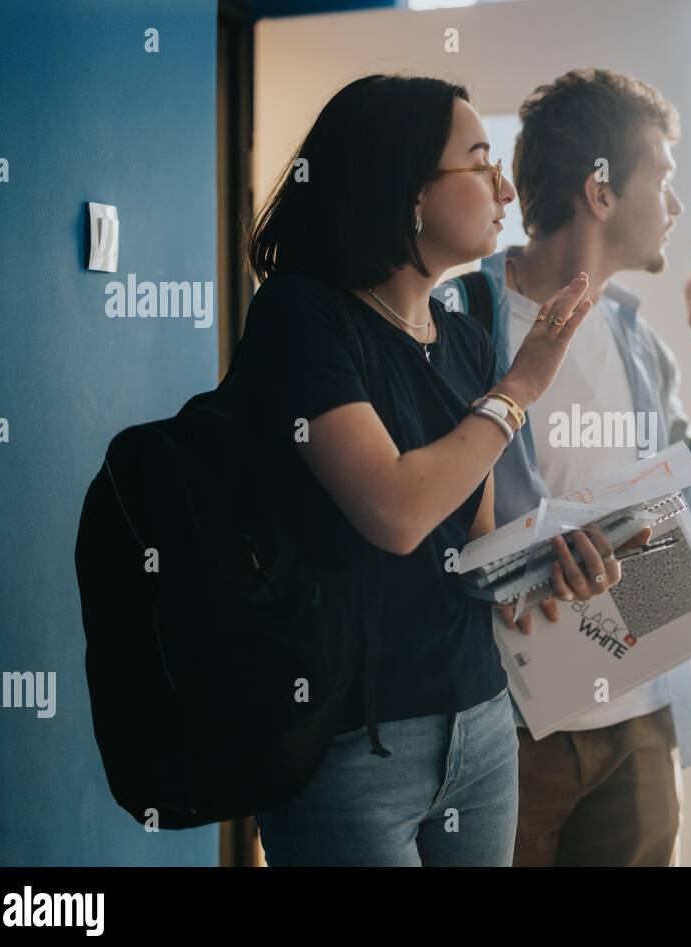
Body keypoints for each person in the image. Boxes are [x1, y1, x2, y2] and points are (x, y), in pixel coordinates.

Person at [236, 74, 628, 866]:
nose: (505, 187)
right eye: (479, 160)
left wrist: (550, 572)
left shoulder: (463, 343)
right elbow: (396, 511)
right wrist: (519, 389)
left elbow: (468, 550)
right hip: (352, 748)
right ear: (408, 189)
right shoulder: (301, 317)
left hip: (481, 722)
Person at [436, 68, 691, 866]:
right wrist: (523, 566)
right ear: (601, 193)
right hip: (508, 730)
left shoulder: (636, 340)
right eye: (664, 179)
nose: (675, 206)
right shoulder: (459, 320)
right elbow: (433, 523)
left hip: (641, 721)